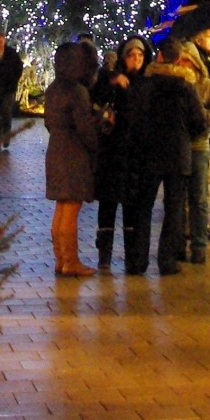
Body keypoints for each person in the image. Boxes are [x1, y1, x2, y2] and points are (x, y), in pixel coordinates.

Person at [123, 37, 207, 275]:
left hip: (149, 154)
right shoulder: (186, 87)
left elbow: (134, 120)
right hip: (178, 155)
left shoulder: (145, 85)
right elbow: (200, 123)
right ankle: (167, 261)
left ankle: (138, 261)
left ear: (159, 56)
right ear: (180, 59)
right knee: (174, 208)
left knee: (143, 207)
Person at [43, 41, 105, 278]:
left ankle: (61, 259)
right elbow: (84, 128)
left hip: (56, 149)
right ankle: (71, 261)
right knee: (71, 208)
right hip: (73, 153)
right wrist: (98, 124)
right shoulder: (77, 91)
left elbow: (49, 122)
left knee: (61, 208)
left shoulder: (53, 88)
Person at [91, 37, 148, 269]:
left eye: (140, 56)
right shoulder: (110, 80)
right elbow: (95, 97)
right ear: (124, 57)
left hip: (135, 155)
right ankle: (104, 254)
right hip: (112, 155)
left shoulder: (145, 83)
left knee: (132, 207)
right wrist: (113, 82)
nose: (136, 60)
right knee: (108, 205)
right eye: (132, 55)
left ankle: (132, 255)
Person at [181, 42, 210, 264]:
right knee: (178, 200)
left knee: (199, 199)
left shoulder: (207, 86)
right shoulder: (173, 84)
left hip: (199, 146)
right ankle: (179, 243)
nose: (183, 65)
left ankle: (199, 245)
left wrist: (199, 114)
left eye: (187, 61)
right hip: (177, 148)